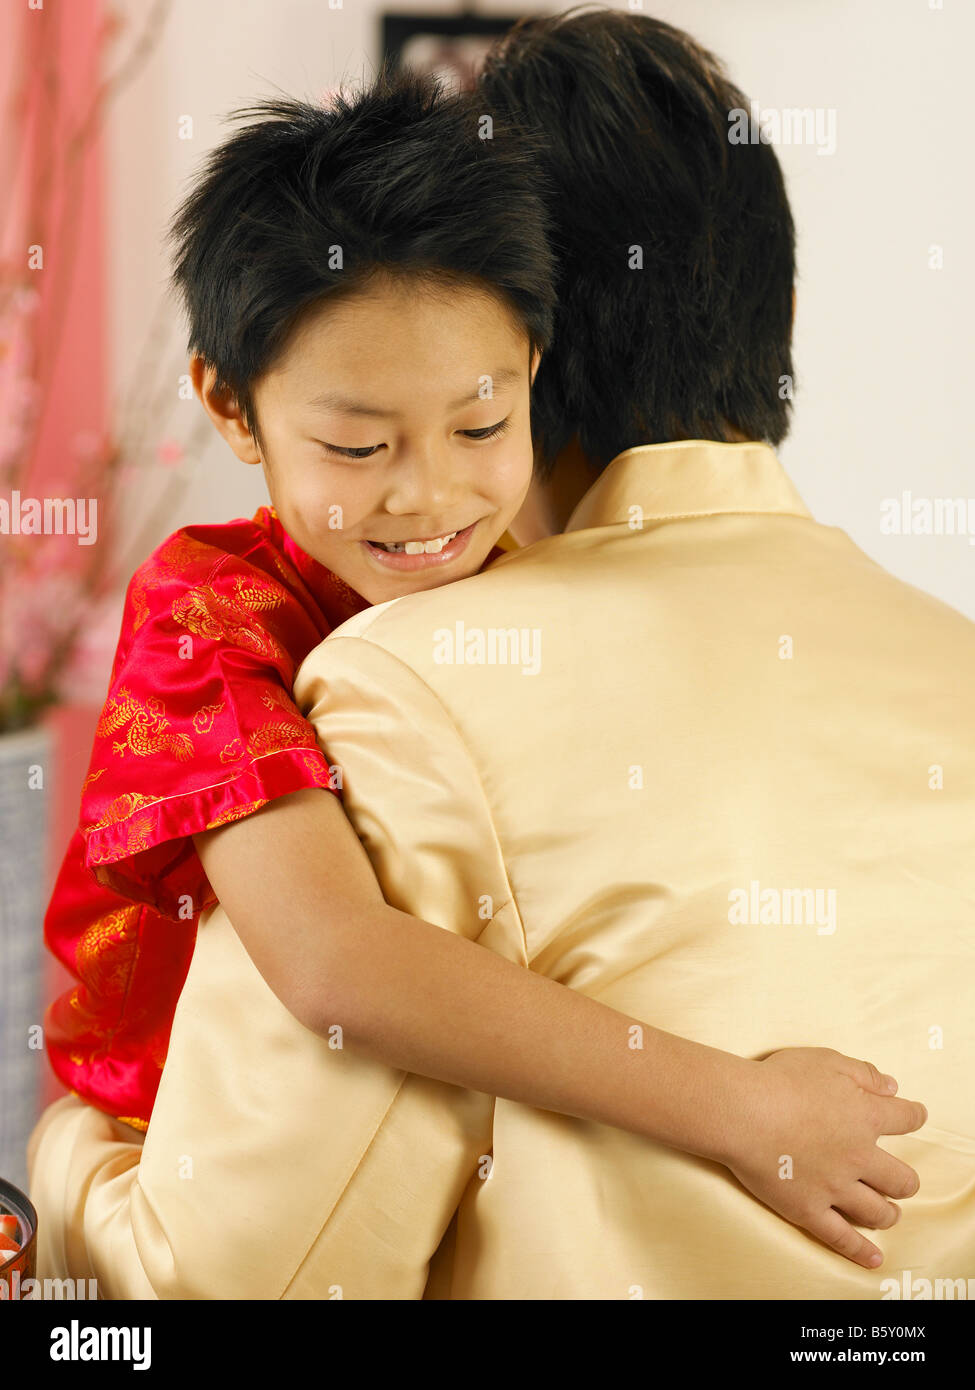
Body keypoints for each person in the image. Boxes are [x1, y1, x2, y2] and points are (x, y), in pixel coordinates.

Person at [27, 31, 951, 1299]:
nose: (425, 494)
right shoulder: (223, 615)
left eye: (475, 424)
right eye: (359, 446)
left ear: (536, 357)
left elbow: (244, 1277)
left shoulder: (442, 667)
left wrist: (65, 1169)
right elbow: (337, 960)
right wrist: (735, 1104)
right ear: (231, 408)